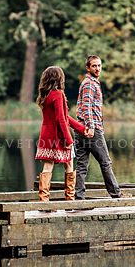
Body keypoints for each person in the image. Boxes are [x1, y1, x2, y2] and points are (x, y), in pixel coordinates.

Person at [34, 66, 93, 201]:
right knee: (69, 164)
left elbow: (65, 117)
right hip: (58, 136)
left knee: (48, 165)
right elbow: (61, 119)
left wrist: (82, 129)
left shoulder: (45, 95)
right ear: (59, 78)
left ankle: (44, 200)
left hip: (46, 135)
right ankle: (70, 198)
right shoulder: (58, 94)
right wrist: (68, 140)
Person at [74, 55, 122, 200]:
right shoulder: (89, 84)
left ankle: (79, 197)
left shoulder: (91, 83)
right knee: (105, 162)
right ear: (88, 68)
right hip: (90, 129)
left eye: (99, 65)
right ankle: (116, 194)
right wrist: (91, 126)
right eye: (94, 66)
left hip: (80, 129)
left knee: (81, 165)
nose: (97, 68)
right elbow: (86, 106)